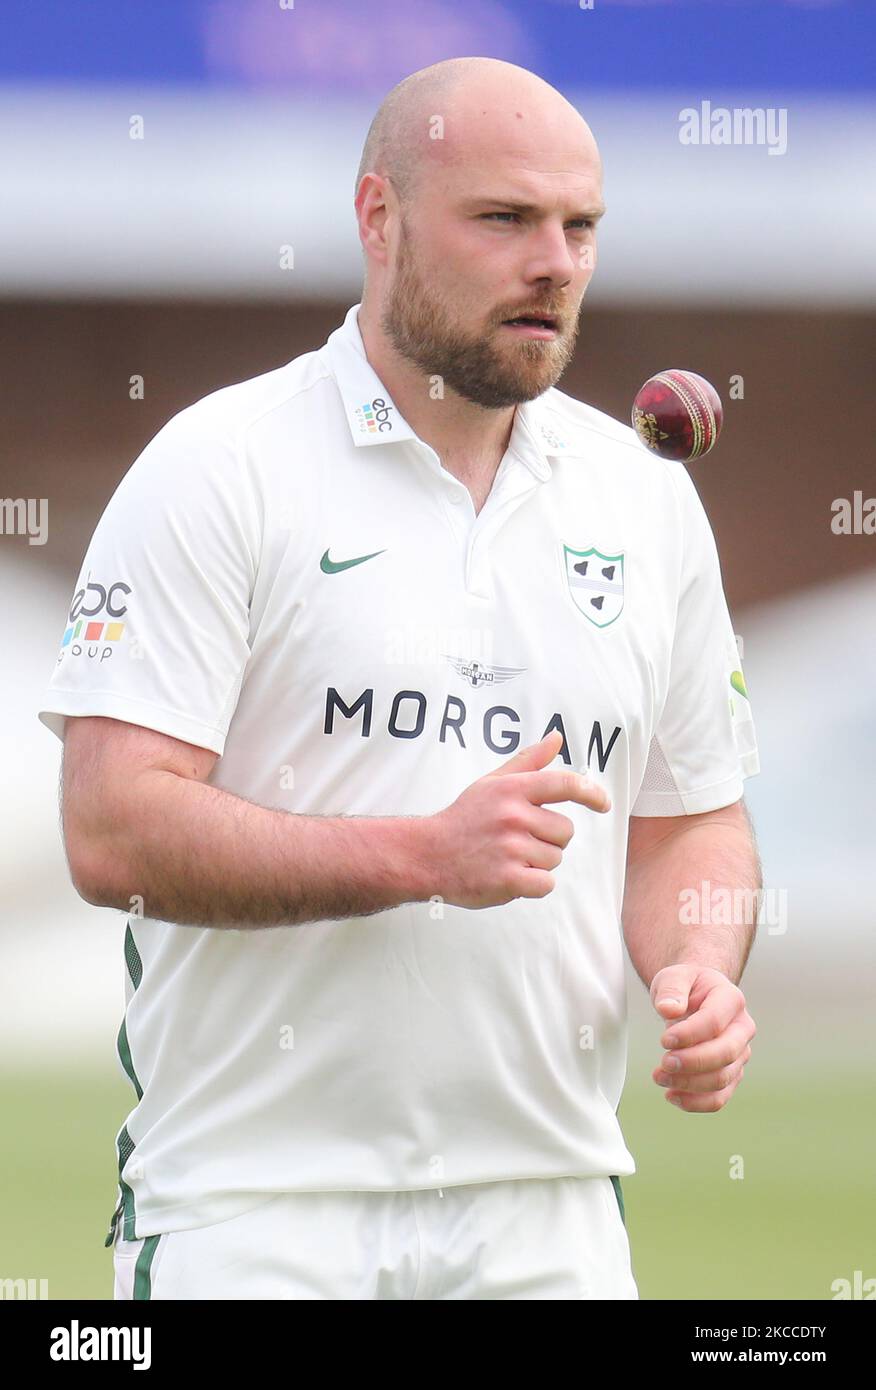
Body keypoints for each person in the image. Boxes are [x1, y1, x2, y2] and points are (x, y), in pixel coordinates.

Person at [38, 56, 761, 1301]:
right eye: (505, 220)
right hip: (255, 1210)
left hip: (552, 1218)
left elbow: (691, 817)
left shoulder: (644, 497)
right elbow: (111, 826)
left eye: (579, 226)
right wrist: (423, 857)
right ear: (379, 217)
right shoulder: (222, 464)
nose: (557, 262)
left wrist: (695, 965)